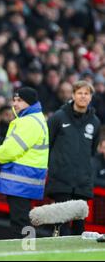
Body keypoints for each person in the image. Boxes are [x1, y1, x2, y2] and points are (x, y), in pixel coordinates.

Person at [0, 87, 49, 238]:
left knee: (19, 220)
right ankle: (27, 249)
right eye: (14, 100)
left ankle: (26, 250)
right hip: (27, 175)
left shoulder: (29, 121)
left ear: (30, 102)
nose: (15, 103)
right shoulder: (34, 118)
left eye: (20, 100)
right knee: (22, 218)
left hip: (22, 176)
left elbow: (12, 149)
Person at [45, 80, 101, 235]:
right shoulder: (58, 117)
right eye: (79, 93)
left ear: (91, 97)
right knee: (60, 226)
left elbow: (92, 151)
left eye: (86, 93)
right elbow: (46, 143)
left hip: (82, 183)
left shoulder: (95, 122)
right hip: (61, 180)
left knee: (79, 229)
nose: (83, 96)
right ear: (73, 95)